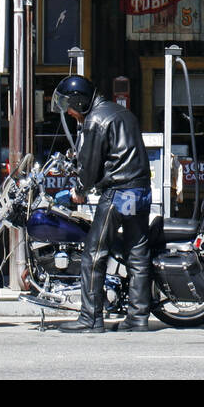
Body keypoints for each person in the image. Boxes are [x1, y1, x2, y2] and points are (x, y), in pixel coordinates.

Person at [53, 75, 153, 334]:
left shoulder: (95, 120)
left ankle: (91, 318)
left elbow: (89, 166)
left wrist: (79, 189)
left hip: (118, 194)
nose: (70, 113)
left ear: (81, 102)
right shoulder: (123, 113)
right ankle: (138, 317)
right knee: (138, 255)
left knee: (94, 255)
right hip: (139, 193)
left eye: (70, 107)